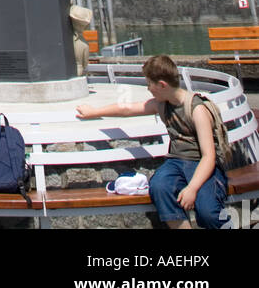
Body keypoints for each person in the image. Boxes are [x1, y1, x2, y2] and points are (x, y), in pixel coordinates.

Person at [76, 53, 230, 230]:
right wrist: (93, 112)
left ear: (162, 85)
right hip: (176, 162)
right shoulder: (161, 103)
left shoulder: (196, 109)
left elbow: (209, 157)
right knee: (159, 187)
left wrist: (192, 189)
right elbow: (126, 109)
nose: (148, 88)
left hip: (203, 165)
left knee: (208, 212)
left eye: (149, 83)